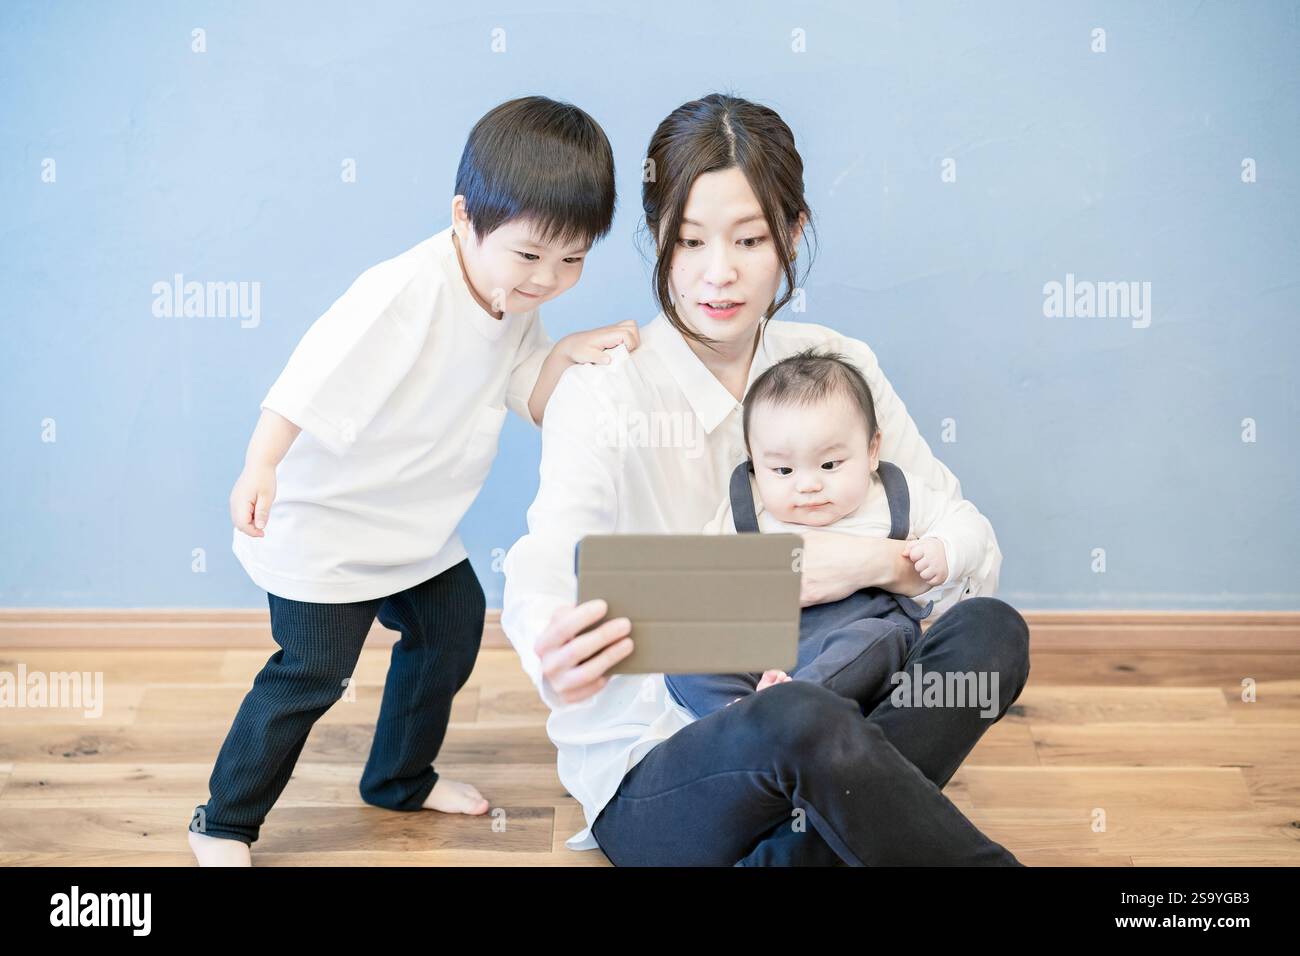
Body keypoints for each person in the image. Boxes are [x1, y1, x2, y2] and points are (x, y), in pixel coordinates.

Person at [501, 92, 1030, 866]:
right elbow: (548, 571)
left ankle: (796, 854)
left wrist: (870, 564)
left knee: (993, 634)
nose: (720, 275)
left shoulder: (836, 364)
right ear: (657, 240)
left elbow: (970, 558)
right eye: (689, 242)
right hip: (666, 771)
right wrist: (552, 643)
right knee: (796, 717)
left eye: (750, 239)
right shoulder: (606, 390)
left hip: (844, 715)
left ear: (792, 234)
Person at [187, 96, 640, 866]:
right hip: (328, 527)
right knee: (312, 675)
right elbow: (310, 373)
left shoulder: (513, 298)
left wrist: (570, 353)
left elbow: (528, 393)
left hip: (413, 528)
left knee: (451, 628)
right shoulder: (404, 290)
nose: (548, 279)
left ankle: (397, 778)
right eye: (530, 256)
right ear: (465, 217)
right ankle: (223, 821)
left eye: (573, 261)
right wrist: (261, 462)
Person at [665, 347, 998, 719]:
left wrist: (945, 548)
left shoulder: (891, 494)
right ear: (755, 463)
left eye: (828, 464)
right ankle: (735, 714)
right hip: (761, 648)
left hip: (855, 636)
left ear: (872, 451)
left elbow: (968, 523)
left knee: (878, 641)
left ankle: (794, 707)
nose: (808, 485)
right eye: (783, 471)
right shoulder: (748, 508)